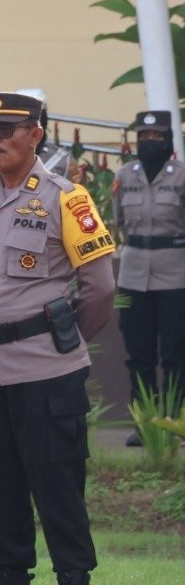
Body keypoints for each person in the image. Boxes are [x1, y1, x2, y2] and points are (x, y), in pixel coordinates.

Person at [0, 92, 116, 585]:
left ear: (36, 134)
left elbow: (100, 289)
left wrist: (59, 345)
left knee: (57, 489)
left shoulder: (66, 199)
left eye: (7, 128)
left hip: (47, 372)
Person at [112, 110, 185, 446]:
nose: (149, 143)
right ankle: (144, 424)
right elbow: (118, 222)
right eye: (144, 137)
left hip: (176, 274)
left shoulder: (182, 176)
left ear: (168, 140)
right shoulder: (124, 176)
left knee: (175, 353)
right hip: (133, 272)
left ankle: (175, 423)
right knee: (137, 354)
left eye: (156, 137)